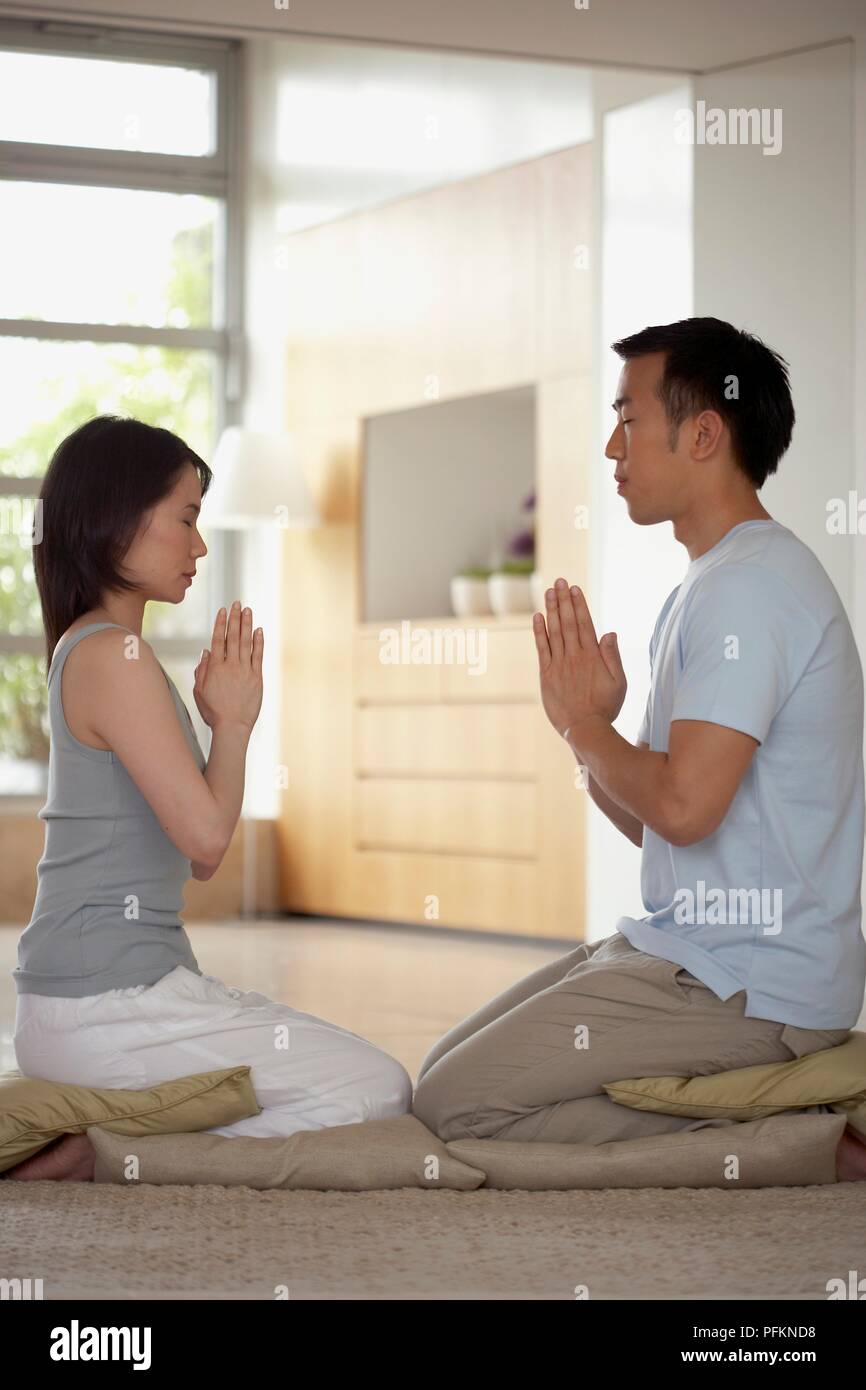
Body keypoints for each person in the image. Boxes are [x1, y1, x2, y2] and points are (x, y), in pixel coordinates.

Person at [412, 316, 866, 1182]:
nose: (612, 446)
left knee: (456, 1105)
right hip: (689, 950)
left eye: (629, 417)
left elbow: (684, 811)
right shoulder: (715, 583)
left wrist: (589, 729)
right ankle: (769, 1103)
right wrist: (587, 736)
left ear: (703, 432)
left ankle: (802, 1139)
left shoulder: (751, 591)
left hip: (749, 983)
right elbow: (661, 825)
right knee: (441, 1071)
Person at [7, 415, 411, 1181]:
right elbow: (208, 843)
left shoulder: (105, 650)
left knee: (340, 1068)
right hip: (104, 1009)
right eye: (186, 520)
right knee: (378, 1087)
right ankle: (113, 1153)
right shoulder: (113, 656)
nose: (199, 546)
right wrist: (231, 725)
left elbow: (195, 859)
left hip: (119, 997)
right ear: (117, 520)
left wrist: (228, 722)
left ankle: (116, 1136)